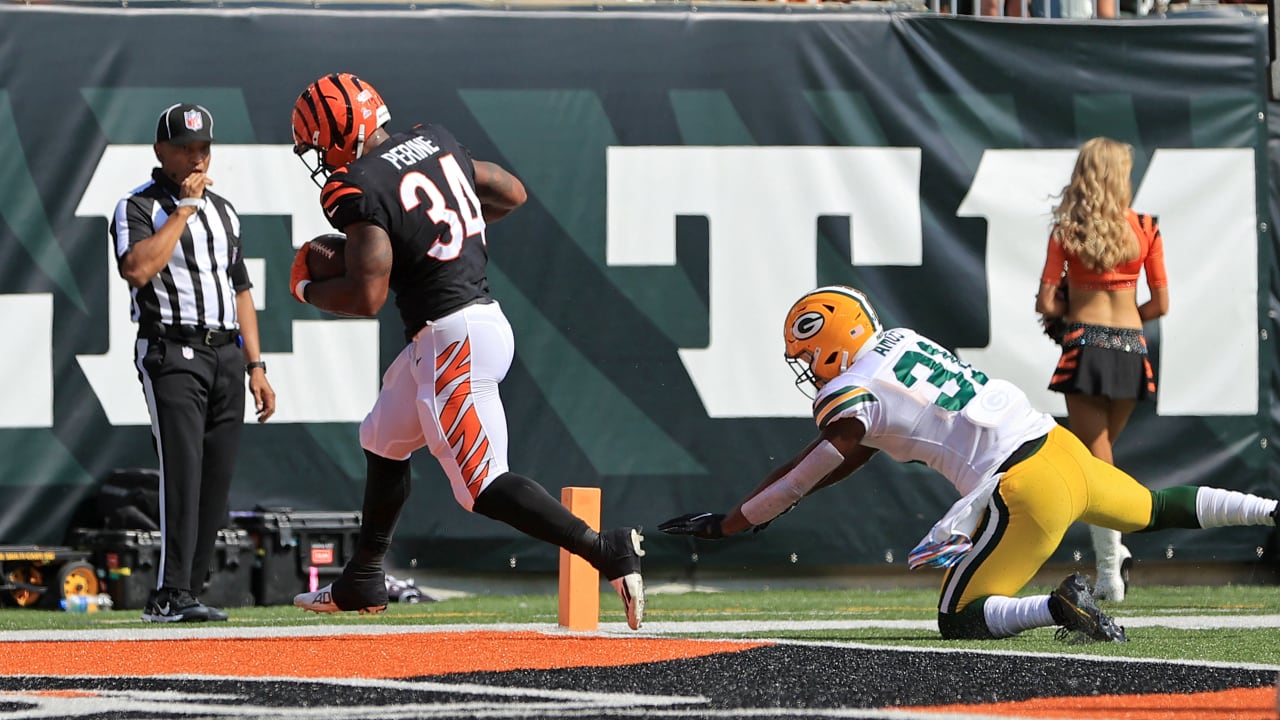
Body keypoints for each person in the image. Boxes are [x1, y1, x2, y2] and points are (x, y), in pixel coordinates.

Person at [659, 285, 1274, 642]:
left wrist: (735, 521)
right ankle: (1271, 511)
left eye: (809, 352)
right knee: (1151, 508)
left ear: (833, 340)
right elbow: (854, 453)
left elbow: (812, 468)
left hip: (1022, 487)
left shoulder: (852, 393)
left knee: (958, 618)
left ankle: (1056, 607)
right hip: (1058, 448)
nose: (807, 367)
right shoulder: (898, 342)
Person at [285, 73, 645, 629]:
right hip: (477, 323)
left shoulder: (356, 185)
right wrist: (429, 234)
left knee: (482, 485)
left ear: (341, 133)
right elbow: (511, 192)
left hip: (450, 337)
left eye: (320, 144)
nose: (321, 158)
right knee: (382, 436)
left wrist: (306, 287)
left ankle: (606, 549)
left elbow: (367, 295)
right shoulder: (436, 141)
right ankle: (363, 576)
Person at [112, 102, 276, 622]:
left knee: (216, 476)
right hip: (172, 348)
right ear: (161, 151)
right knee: (181, 468)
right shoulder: (137, 207)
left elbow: (241, 288)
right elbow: (138, 269)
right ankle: (167, 593)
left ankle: (189, 590)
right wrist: (183, 211)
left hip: (226, 351)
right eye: (185, 147)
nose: (197, 156)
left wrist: (256, 365)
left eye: (203, 146)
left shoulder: (224, 211)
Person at [1036, 137, 1169, 603]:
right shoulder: (1146, 227)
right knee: (1103, 452)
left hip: (1085, 348)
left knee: (1095, 456)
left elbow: (1046, 301)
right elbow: (1160, 303)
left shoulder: (1067, 231)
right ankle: (1116, 557)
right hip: (1132, 350)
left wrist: (1078, 304)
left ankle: (1110, 569)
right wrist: (1127, 314)